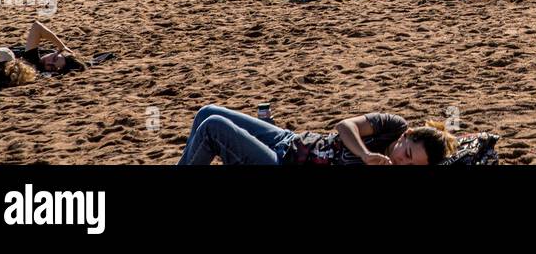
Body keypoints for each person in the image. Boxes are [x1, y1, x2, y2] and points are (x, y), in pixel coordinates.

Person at [179, 105, 456, 165]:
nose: (402, 162)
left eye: (411, 165)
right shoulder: (393, 125)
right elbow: (345, 126)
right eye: (406, 154)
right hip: (289, 141)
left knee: (213, 127)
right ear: (406, 135)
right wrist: (364, 154)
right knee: (206, 113)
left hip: (284, 163)